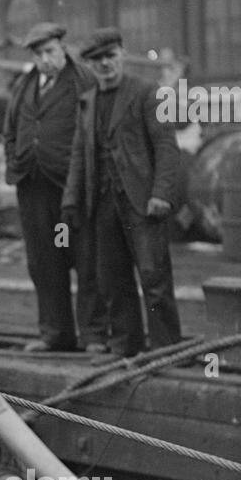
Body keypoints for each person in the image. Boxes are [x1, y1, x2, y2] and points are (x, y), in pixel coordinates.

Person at [62, 27, 182, 357]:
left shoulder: (148, 93)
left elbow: (166, 147)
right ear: (89, 65)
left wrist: (161, 193)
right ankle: (125, 346)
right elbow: (78, 154)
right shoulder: (87, 102)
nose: (105, 65)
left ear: (122, 55)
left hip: (142, 201)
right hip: (102, 204)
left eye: (111, 57)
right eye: (97, 60)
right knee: (113, 280)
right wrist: (71, 199)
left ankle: (165, 349)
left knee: (153, 277)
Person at [3, 22, 107, 353]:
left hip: (72, 190)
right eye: (38, 53)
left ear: (63, 47)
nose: (45, 59)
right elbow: (9, 130)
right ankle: (55, 333)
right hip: (34, 189)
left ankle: (93, 335)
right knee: (44, 262)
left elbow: (97, 133)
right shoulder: (24, 85)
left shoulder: (84, 82)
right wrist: (14, 162)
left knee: (86, 259)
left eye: (50, 51)